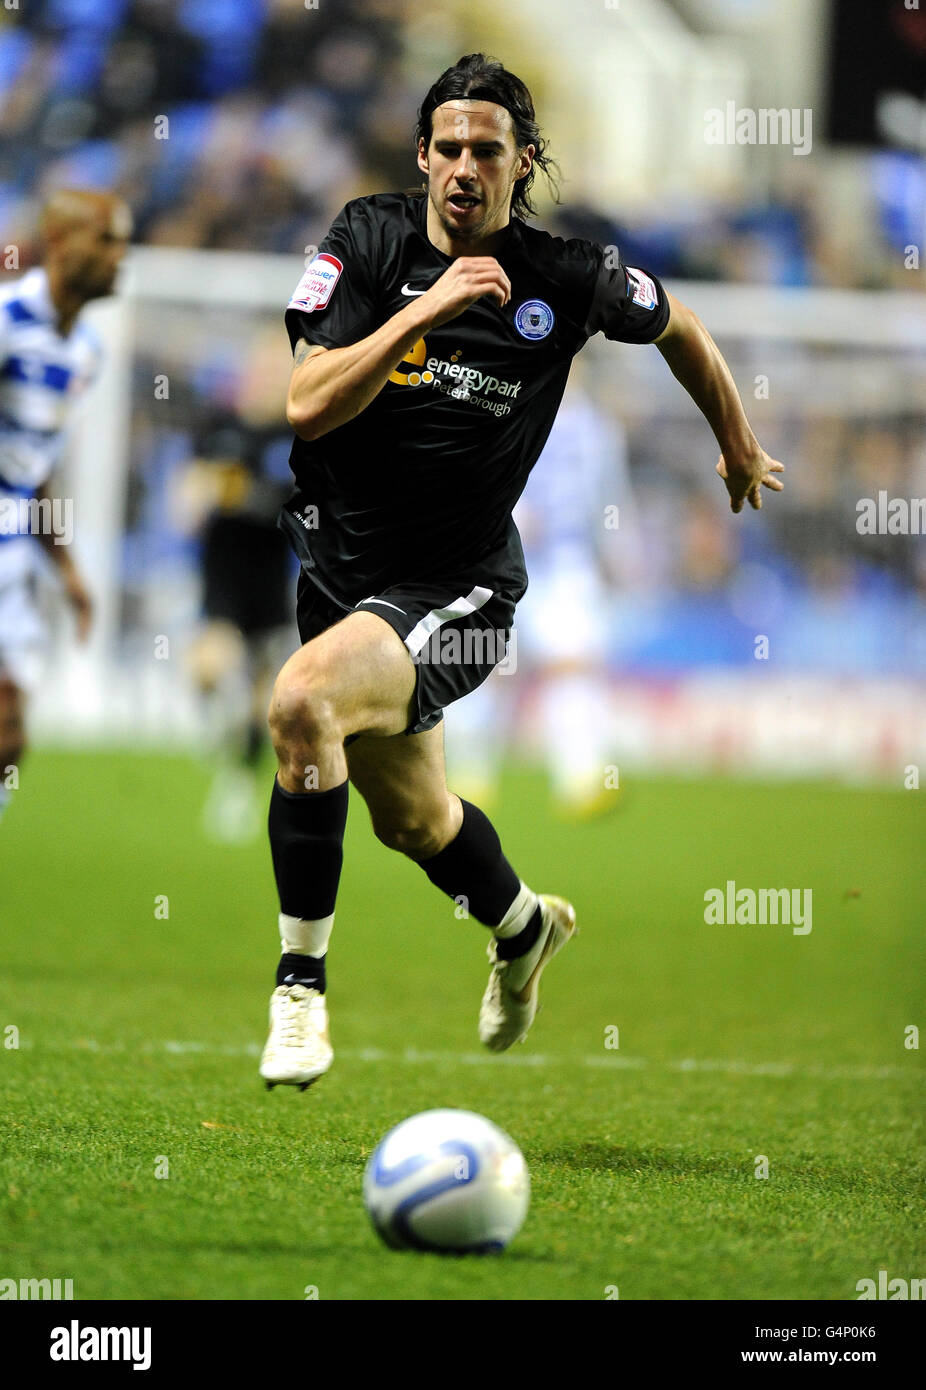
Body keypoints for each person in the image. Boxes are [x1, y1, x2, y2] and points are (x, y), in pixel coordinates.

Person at [259, 54, 784, 1089]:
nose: (462, 166)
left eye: (485, 151)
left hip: (458, 589)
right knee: (414, 819)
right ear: (420, 156)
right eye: (446, 147)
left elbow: (677, 323)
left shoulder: (566, 275)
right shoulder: (363, 238)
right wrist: (422, 313)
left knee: (300, 703)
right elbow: (306, 402)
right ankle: (522, 925)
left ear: (521, 163)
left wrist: (731, 437)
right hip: (338, 576)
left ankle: (298, 994)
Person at [0, 189, 131, 824]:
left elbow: (36, 467)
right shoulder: (6, 320)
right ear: (60, 243)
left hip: (14, 557)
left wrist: (67, 569)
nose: (120, 256)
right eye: (107, 239)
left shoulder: (86, 353)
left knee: (10, 741)